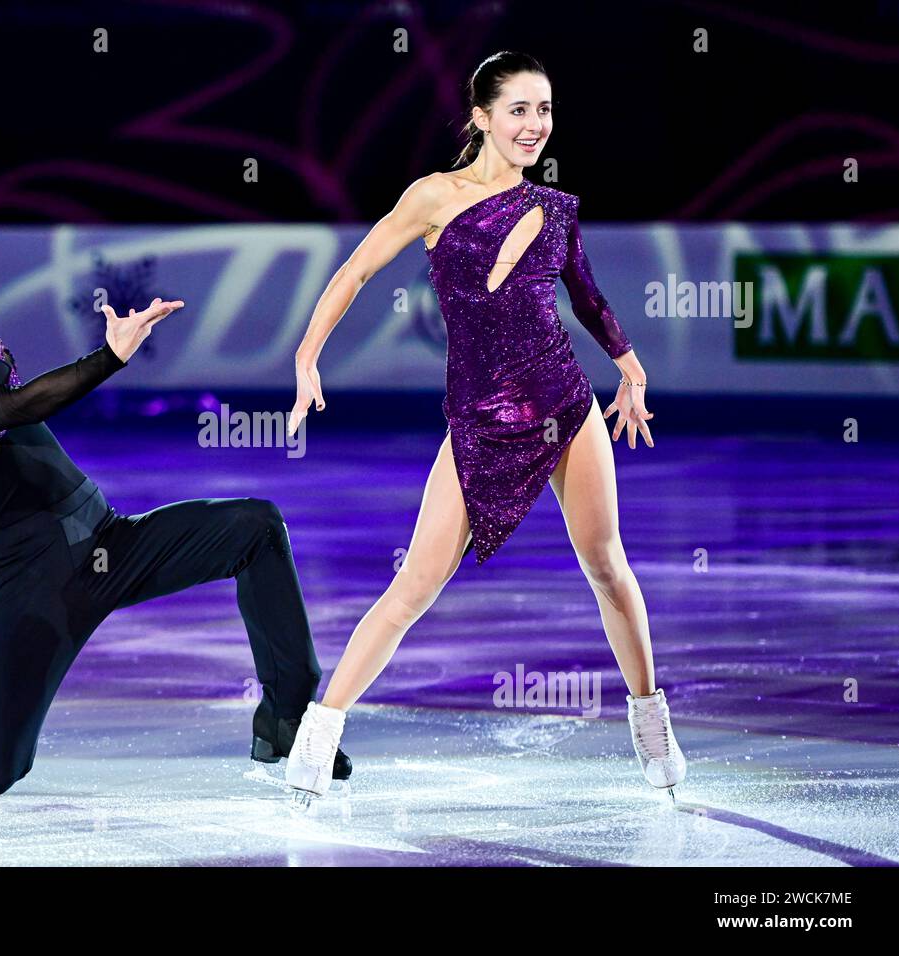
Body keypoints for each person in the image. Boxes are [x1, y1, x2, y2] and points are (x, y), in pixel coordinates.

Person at [282, 52, 686, 805]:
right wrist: (308, 354)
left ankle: (649, 716)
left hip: (563, 404)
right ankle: (319, 733)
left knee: (606, 565)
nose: (535, 125)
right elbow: (357, 270)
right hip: (479, 418)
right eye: (520, 110)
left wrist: (630, 369)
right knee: (414, 585)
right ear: (481, 116)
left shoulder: (557, 209)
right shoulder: (434, 197)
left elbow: (588, 299)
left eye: (545, 110)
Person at [0, 235, 350, 796]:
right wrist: (110, 358)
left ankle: (285, 718)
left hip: (109, 541)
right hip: (34, 585)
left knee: (258, 526)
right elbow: (18, 406)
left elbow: (15, 402)